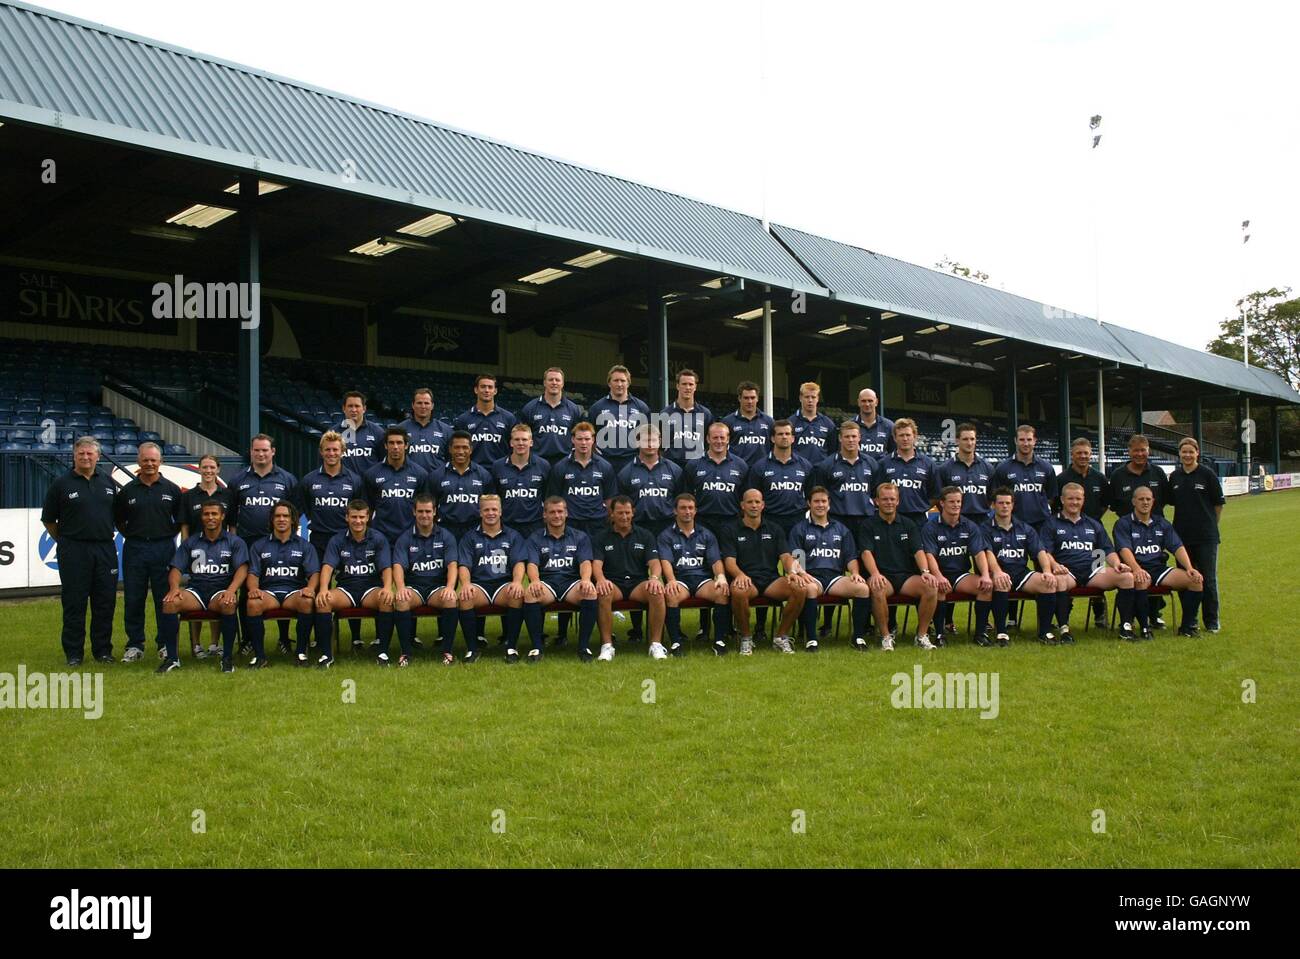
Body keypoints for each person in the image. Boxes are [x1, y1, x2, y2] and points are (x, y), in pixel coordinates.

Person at [41, 436, 120, 666]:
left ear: (97, 456)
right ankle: (74, 654)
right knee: (75, 603)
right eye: (81, 454)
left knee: (104, 603)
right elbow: (49, 520)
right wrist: (66, 540)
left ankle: (102, 651)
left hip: (105, 548)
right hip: (74, 550)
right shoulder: (61, 484)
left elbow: (117, 516)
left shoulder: (108, 482)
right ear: (74, 456)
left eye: (90, 453)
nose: (85, 457)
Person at [156, 498, 248, 673]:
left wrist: (231, 591)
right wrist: (174, 588)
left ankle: (227, 658)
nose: (210, 517)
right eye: (206, 514)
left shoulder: (234, 542)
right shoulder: (191, 542)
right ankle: (172, 659)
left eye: (214, 514)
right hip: (196, 591)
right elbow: (176, 568)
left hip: (220, 590)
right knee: (169, 603)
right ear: (201, 517)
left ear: (222, 516)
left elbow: (242, 569)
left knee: (228, 604)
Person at [1040, 483, 1137, 643]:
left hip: (1093, 570)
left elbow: (1107, 549)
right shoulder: (1051, 523)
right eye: (1070, 498)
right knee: (1060, 580)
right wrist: (1055, 565)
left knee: (1126, 577)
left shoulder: (1093, 524)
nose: (1074, 502)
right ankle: (1064, 630)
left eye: (1078, 499)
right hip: (1067, 570)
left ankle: (1126, 627)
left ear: (1083, 500)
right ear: (1063, 500)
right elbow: (1045, 551)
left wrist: (1117, 564)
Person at [292, 431, 362, 654]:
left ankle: (357, 637)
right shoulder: (309, 480)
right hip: (319, 541)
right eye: (328, 450)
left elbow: (360, 510)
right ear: (321, 452)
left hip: (347, 541)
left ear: (343, 452)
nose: (332, 453)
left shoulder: (354, 480)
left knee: (352, 584)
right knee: (318, 589)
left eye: (336, 449)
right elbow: (300, 511)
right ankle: (318, 638)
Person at [227, 433, 297, 653]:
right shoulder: (238, 480)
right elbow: (231, 517)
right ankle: (248, 640)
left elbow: (294, 514)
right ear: (251, 452)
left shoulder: (287, 479)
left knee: (284, 587)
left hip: (279, 544)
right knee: (249, 592)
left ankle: (284, 639)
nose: (260, 454)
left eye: (265, 450)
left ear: (273, 452)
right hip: (247, 544)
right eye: (256, 450)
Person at [114, 442, 183, 663]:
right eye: (145, 460)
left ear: (160, 461)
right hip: (135, 549)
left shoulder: (172, 489)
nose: (150, 464)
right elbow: (119, 520)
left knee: (164, 598)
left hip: (164, 549)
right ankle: (135, 645)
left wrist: (165, 536)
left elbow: (180, 521)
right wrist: (135, 536)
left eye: (153, 460)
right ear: (139, 462)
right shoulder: (127, 491)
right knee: (134, 598)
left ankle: (164, 643)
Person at [810, 421, 877, 639]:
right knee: (832, 569)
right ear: (840, 438)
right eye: (846, 436)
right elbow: (819, 495)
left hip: (865, 522)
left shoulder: (872, 465)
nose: (850, 440)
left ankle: (866, 622)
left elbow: (876, 493)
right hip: (838, 521)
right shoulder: (826, 465)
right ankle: (827, 622)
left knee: (865, 571)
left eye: (854, 436)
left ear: (860, 438)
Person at [721, 488, 807, 655]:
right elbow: (729, 562)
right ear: (742, 506)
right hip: (747, 579)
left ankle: (781, 637)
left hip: (770, 580)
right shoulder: (730, 529)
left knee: (800, 588)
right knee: (738, 591)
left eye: (757, 502)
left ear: (763, 505)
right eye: (750, 502)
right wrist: (739, 575)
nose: (754, 505)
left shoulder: (774, 529)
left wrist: (790, 571)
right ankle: (746, 638)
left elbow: (786, 556)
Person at [682, 420, 747, 640]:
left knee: (729, 572)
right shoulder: (694, 465)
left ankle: (729, 625)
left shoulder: (740, 465)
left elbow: (744, 498)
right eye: (715, 437)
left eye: (723, 437)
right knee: (704, 573)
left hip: (731, 525)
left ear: (729, 439)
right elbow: (686, 496)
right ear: (707, 439)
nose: (719, 441)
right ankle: (704, 626)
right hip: (703, 525)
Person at [787, 487, 873, 652]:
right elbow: (796, 557)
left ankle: (858, 637)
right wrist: (802, 574)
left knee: (862, 588)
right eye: (816, 501)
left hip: (835, 578)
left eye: (823, 501)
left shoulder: (841, 529)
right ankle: (811, 639)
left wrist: (855, 573)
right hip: (812, 576)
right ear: (809, 504)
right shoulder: (800, 528)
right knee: (809, 589)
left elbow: (850, 557)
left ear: (829, 504)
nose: (820, 505)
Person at [1114, 485, 1205, 640]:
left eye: (1148, 499)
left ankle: (1187, 627)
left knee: (1195, 581)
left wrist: (1190, 568)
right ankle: (1145, 628)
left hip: (1159, 568)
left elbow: (1177, 546)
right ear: (1133, 501)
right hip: (1136, 569)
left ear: (1153, 501)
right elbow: (1124, 550)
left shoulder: (1161, 523)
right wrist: (1136, 569)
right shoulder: (1123, 523)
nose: (1145, 502)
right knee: (1142, 580)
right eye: (1141, 499)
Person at [858, 482, 940, 650]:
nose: (889, 502)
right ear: (876, 501)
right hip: (883, 575)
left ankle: (922, 636)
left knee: (931, 587)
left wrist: (925, 571)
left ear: (898, 501)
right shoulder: (868, 525)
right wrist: (874, 574)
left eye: (892, 499)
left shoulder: (909, 524)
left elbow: (918, 550)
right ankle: (886, 637)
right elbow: (866, 553)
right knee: (877, 587)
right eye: (885, 499)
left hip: (905, 577)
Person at [1106, 433, 1173, 628]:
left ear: (1148, 450)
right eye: (1135, 450)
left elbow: (1166, 499)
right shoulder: (1118, 475)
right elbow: (1112, 504)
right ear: (1129, 451)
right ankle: (1127, 618)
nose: (1139, 454)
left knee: (1154, 569)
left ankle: (1154, 613)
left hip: (1153, 532)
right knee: (1129, 574)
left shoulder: (1158, 473)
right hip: (1127, 534)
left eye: (1143, 450)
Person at [934, 422, 995, 637]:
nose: (969, 443)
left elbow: (991, 497)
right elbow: (939, 497)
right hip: (952, 523)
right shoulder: (945, 469)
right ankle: (947, 621)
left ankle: (985, 620)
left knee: (983, 571)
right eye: (965, 439)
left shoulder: (987, 468)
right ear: (957, 441)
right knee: (950, 565)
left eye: (972, 439)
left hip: (980, 523)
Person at [317, 500, 395, 666]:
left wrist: (388, 587)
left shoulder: (378, 538)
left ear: (368, 517)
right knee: (324, 601)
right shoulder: (337, 540)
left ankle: (383, 654)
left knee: (386, 600)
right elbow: (327, 567)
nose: (357, 521)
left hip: (370, 589)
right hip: (346, 589)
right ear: (347, 517)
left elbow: (386, 568)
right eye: (354, 517)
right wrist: (323, 589)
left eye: (361, 517)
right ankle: (326, 655)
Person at [980, 487, 1058, 646]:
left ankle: (1044, 632)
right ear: (993, 505)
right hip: (998, 572)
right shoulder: (985, 528)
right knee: (1001, 583)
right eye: (1000, 503)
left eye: (1008, 503)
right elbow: (987, 553)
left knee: (1048, 584)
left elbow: (1040, 551)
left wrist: (1047, 571)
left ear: (1013, 505)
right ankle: (1001, 632)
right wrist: (997, 572)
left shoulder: (1025, 528)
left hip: (1021, 573)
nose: (1004, 506)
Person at [245, 500, 319, 668]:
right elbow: (253, 573)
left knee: (307, 601)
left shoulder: (304, 546)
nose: (281, 519)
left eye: (286, 516)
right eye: (277, 516)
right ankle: (259, 656)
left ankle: (300, 653)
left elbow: (314, 573)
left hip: (294, 592)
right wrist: (254, 589)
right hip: (269, 592)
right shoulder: (259, 545)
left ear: (293, 520)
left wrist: (310, 588)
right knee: (252, 603)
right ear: (272, 520)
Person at [592, 495, 667, 660]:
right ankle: (607, 646)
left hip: (637, 584)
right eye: (620, 513)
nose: (624, 517)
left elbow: (655, 563)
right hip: (614, 584)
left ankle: (656, 645)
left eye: (627, 512)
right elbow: (596, 565)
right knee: (603, 592)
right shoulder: (601, 537)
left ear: (633, 513)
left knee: (657, 592)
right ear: (611, 514)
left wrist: (654, 578)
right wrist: (601, 580)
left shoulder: (645, 535)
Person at [454, 495, 528, 663]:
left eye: (494, 509)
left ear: (501, 511)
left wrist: (517, 582)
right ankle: (472, 649)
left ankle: (511, 647)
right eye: (486, 509)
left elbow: (519, 563)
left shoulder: (513, 536)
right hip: (479, 585)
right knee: (465, 597)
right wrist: (465, 584)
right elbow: (464, 565)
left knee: (516, 594)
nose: (491, 513)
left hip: (504, 585)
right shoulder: (470, 537)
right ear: (480, 512)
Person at [523, 497, 598, 663]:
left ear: (566, 513)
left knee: (590, 592)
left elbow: (585, 562)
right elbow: (532, 564)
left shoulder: (580, 537)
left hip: (570, 583)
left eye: (560, 511)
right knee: (530, 594)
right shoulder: (535, 538)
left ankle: (583, 647)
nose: (556, 515)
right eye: (552, 512)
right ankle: (536, 647)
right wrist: (534, 581)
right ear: (545, 515)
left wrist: (586, 579)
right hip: (547, 583)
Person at [919, 487, 993, 647]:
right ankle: (940, 634)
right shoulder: (930, 527)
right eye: (951, 501)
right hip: (939, 573)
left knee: (985, 588)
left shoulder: (970, 526)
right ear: (942, 503)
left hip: (960, 575)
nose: (956, 505)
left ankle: (980, 634)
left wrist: (986, 574)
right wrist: (938, 576)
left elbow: (979, 553)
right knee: (938, 588)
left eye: (958, 501)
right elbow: (929, 555)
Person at [658, 493, 731, 656]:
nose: (687, 511)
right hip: (680, 579)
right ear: (675, 511)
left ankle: (719, 641)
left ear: (696, 511)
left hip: (702, 580)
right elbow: (665, 562)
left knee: (722, 592)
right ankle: (676, 642)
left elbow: (715, 560)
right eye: (683, 508)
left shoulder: (706, 534)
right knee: (671, 595)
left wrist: (720, 576)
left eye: (690, 508)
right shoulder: (666, 535)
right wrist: (670, 581)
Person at [392, 493, 459, 666]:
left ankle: (447, 652)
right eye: (420, 511)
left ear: (435, 512)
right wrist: (400, 588)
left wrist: (450, 587)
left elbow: (452, 565)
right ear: (414, 512)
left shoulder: (446, 536)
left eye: (428, 511)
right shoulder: (405, 538)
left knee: (451, 599)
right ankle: (405, 653)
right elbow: (398, 566)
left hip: (437, 587)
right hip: (414, 587)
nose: (424, 515)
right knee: (401, 601)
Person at [1167, 437, 1225, 632]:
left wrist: (1210, 526)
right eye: (1184, 452)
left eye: (1191, 452)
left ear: (1197, 453)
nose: (1187, 455)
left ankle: (1211, 621)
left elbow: (1218, 505)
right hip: (1181, 538)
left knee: (1208, 579)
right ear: (1179, 454)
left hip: (1206, 537)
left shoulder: (1207, 474)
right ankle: (1190, 620)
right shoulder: (1174, 477)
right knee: (1185, 579)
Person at [1056, 437, 1111, 624]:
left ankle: (1099, 613)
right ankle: (1065, 613)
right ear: (1072, 454)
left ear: (1091, 455)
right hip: (1067, 531)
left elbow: (1105, 504)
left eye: (1086, 453)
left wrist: (1091, 522)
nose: (1083, 456)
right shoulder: (1062, 479)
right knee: (1068, 572)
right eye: (1079, 453)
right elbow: (1055, 505)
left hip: (1094, 533)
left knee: (1098, 571)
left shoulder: (1100, 478)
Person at [181, 453, 229, 659]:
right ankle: (196, 644)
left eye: (212, 468)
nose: (208, 471)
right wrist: (185, 551)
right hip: (196, 551)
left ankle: (214, 644)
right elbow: (184, 525)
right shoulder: (189, 496)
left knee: (218, 592)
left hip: (221, 550)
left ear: (218, 470)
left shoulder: (227, 495)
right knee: (196, 593)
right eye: (205, 467)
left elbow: (232, 526)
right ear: (199, 469)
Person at [545, 421, 617, 538]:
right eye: (579, 439)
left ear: (593, 440)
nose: (583, 443)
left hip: (597, 524)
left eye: (587, 439)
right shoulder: (560, 467)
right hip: (571, 523)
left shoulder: (605, 466)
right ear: (573, 439)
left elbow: (609, 499)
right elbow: (553, 498)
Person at [363, 426, 430, 545]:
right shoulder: (371, 474)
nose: (395, 447)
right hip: (381, 536)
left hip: (410, 537)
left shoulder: (420, 474)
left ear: (406, 445)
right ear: (385, 445)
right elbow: (368, 507)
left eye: (399, 443)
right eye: (391, 443)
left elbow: (424, 507)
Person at [429, 431, 494, 541]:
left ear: (471, 449)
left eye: (464, 447)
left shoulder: (483, 475)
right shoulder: (437, 476)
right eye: (456, 447)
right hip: (446, 529)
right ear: (450, 449)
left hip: (475, 529)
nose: (460, 451)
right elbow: (430, 506)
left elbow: (490, 505)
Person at [874, 418, 940, 525]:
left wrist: (921, 506)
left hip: (919, 520)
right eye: (901, 435)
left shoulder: (928, 464)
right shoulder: (883, 464)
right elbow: (875, 493)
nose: (905, 439)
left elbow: (935, 495)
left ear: (915, 436)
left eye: (908, 435)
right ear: (895, 438)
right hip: (891, 519)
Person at [990, 424, 1059, 528]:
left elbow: (1051, 497)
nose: (1026, 443)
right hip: (1013, 524)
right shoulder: (1003, 468)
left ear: (1035, 440)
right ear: (1015, 441)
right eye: (1022, 440)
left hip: (1041, 524)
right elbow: (996, 497)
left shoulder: (1046, 468)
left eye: (1029, 439)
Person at [489, 423, 550, 540]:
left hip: (535, 526)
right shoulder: (498, 466)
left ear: (531, 442)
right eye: (517, 439)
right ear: (511, 443)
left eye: (524, 439)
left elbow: (547, 496)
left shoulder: (543, 465)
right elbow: (494, 497)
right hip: (507, 525)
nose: (520, 443)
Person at [588, 364, 650, 473]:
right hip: (605, 461)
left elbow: (648, 436)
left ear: (628, 383)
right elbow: (589, 436)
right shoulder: (597, 408)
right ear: (609, 383)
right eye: (615, 380)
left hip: (632, 462)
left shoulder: (641, 408)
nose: (619, 384)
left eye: (623, 380)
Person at [519, 367, 583, 464]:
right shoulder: (530, 408)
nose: (554, 382)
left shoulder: (573, 409)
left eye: (557, 380)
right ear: (544, 382)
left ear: (562, 383)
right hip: (537, 462)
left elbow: (578, 437)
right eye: (550, 380)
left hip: (565, 463)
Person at [453, 372, 517, 465]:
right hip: (473, 472)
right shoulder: (463, 419)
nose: (486, 390)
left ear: (495, 391)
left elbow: (514, 448)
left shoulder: (509, 418)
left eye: (490, 387)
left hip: (500, 471)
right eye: (483, 386)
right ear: (476, 390)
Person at [660, 368, 712, 466]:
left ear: (695, 387)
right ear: (677, 386)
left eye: (691, 384)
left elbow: (709, 443)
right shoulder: (665, 413)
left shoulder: (705, 414)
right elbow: (660, 445)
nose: (687, 387)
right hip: (672, 466)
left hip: (697, 466)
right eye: (684, 384)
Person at [398, 386, 451, 473]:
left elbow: (451, 460)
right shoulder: (400, 430)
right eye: (419, 403)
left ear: (432, 406)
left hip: (436, 482)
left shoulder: (446, 431)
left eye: (426, 403)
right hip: (408, 481)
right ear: (413, 405)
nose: (423, 406)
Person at [721, 380, 774, 467]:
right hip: (736, 469)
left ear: (757, 398)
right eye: (746, 398)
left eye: (752, 398)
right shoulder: (727, 422)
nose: (750, 401)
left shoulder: (769, 422)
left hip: (762, 471)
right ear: (739, 398)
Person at [337, 390, 386, 478]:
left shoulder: (377, 432)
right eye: (350, 406)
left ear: (364, 409)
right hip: (343, 487)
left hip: (370, 487)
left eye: (357, 406)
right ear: (343, 408)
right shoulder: (334, 433)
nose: (354, 410)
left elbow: (385, 462)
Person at [789, 381, 836, 464]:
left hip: (821, 472)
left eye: (813, 397)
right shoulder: (791, 422)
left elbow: (832, 451)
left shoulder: (828, 424)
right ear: (800, 398)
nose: (810, 400)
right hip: (798, 470)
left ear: (817, 398)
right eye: (807, 397)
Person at [852, 388, 895, 459]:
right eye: (863, 401)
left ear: (876, 402)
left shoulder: (889, 426)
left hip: (881, 469)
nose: (867, 404)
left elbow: (894, 453)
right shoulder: (850, 426)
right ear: (858, 402)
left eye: (870, 401)